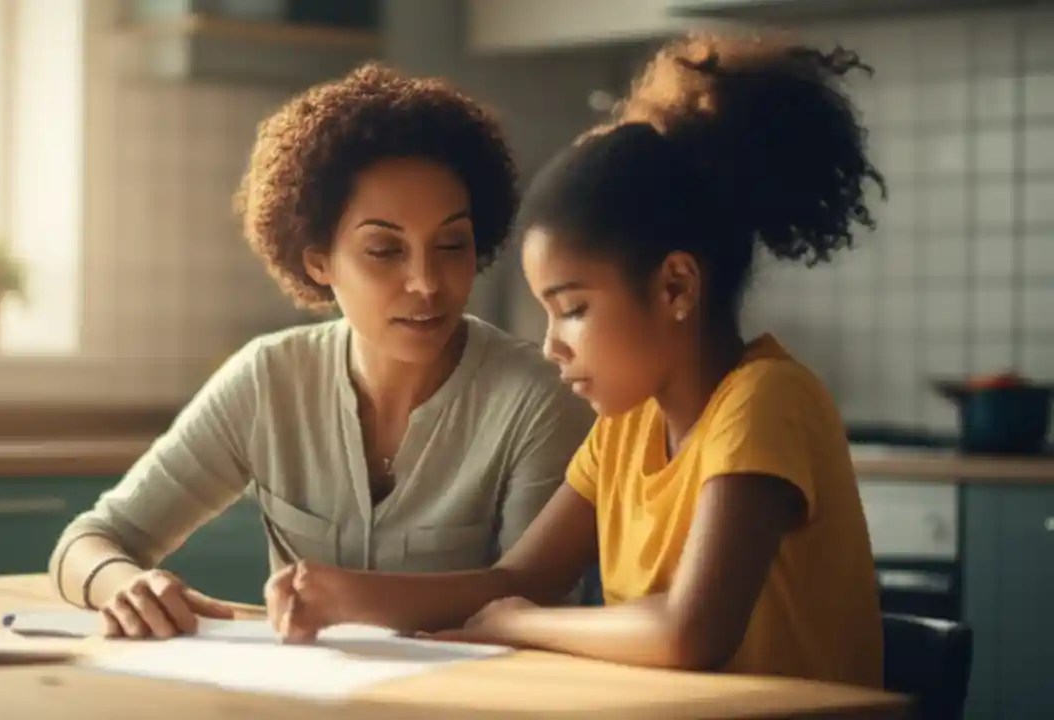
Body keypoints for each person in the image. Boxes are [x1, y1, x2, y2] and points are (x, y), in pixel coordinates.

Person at [264, 35, 887, 689]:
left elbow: (689, 631)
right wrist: (345, 595)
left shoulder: (764, 402)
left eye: (574, 309)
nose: (552, 344)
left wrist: (517, 624)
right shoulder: (626, 426)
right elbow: (518, 580)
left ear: (676, 287)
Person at [48, 64, 595, 639]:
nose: (427, 282)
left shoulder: (538, 398)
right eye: (385, 250)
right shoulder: (268, 380)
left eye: (451, 245)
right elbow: (89, 541)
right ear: (318, 261)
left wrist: (361, 599)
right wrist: (128, 584)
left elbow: (535, 597)